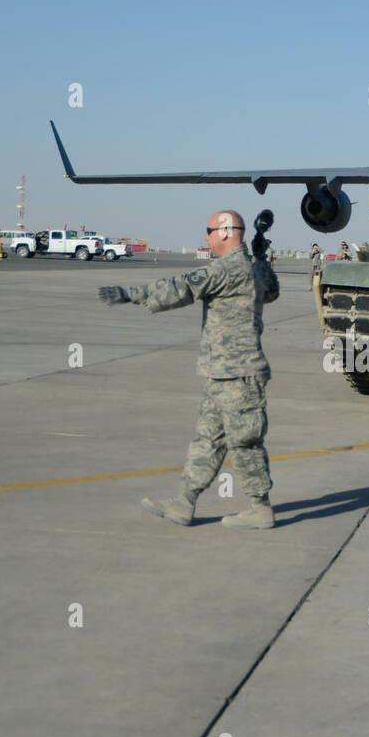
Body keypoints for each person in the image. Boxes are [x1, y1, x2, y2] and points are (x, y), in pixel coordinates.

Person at [97, 210, 280, 530]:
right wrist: (261, 257)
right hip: (223, 374)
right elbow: (271, 290)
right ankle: (184, 502)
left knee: (245, 442)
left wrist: (131, 295)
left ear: (224, 232)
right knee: (207, 440)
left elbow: (181, 287)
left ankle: (260, 507)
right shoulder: (251, 269)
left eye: (209, 231)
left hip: (238, 375)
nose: (206, 237)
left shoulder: (227, 269)